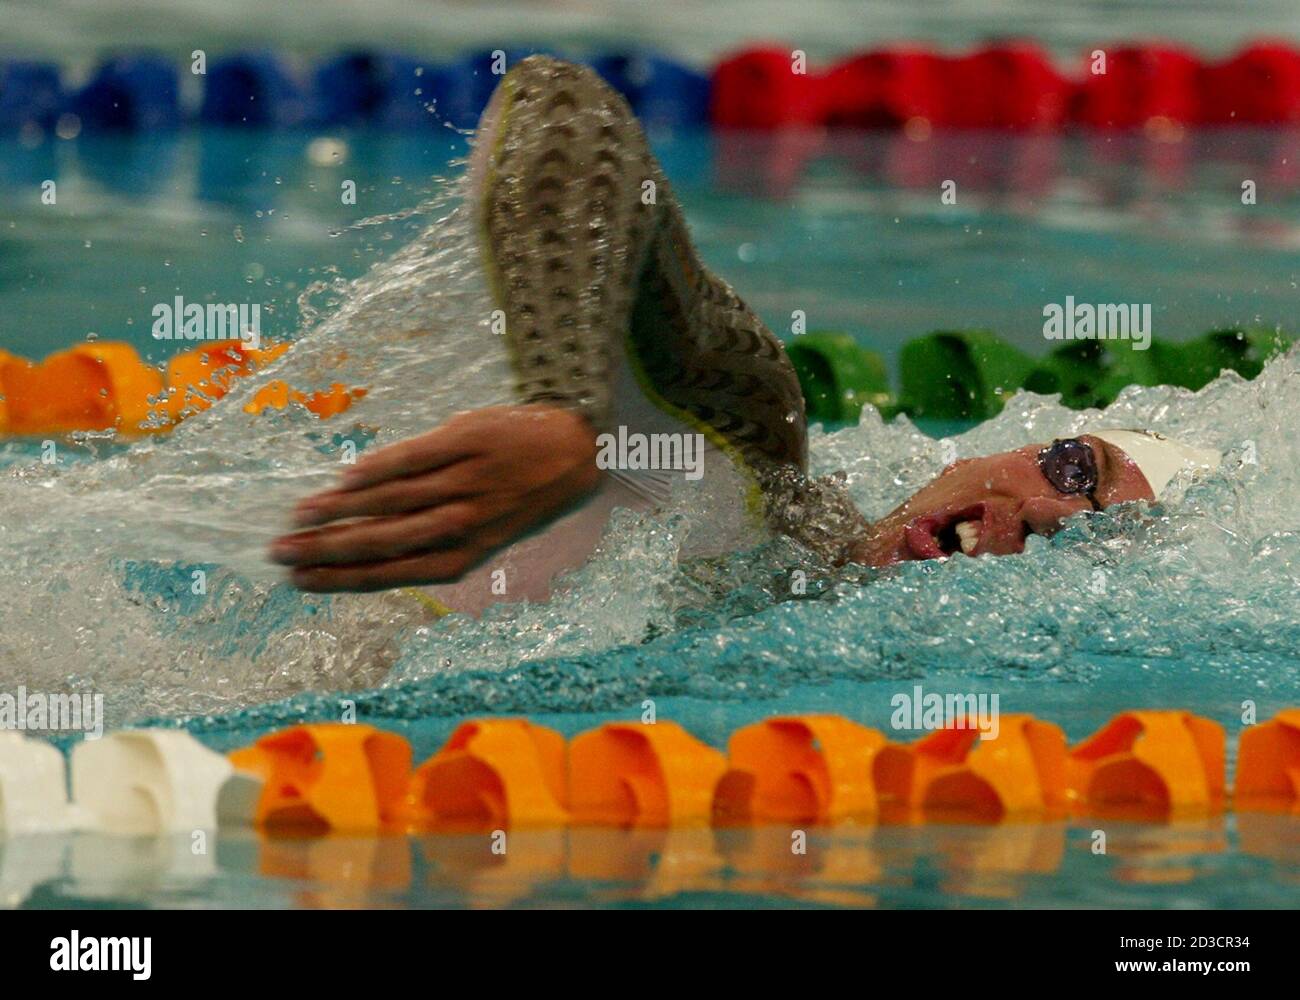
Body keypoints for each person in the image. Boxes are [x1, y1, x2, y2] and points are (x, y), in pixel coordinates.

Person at [268, 57, 1218, 606]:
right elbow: (562, 106)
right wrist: (564, 413)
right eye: (1068, 470)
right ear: (997, 447)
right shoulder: (741, 448)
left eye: (1081, 546)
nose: (1037, 520)